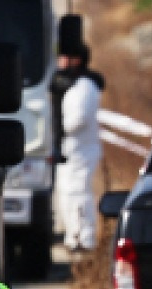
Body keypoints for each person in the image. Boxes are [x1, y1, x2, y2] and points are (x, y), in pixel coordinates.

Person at [52, 42, 104, 254]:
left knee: (79, 194)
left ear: (76, 60)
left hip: (82, 152)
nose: (60, 62)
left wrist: (57, 125)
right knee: (67, 194)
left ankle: (85, 238)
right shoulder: (73, 85)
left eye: (64, 57)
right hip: (71, 151)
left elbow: (78, 119)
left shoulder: (84, 86)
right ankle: (73, 236)